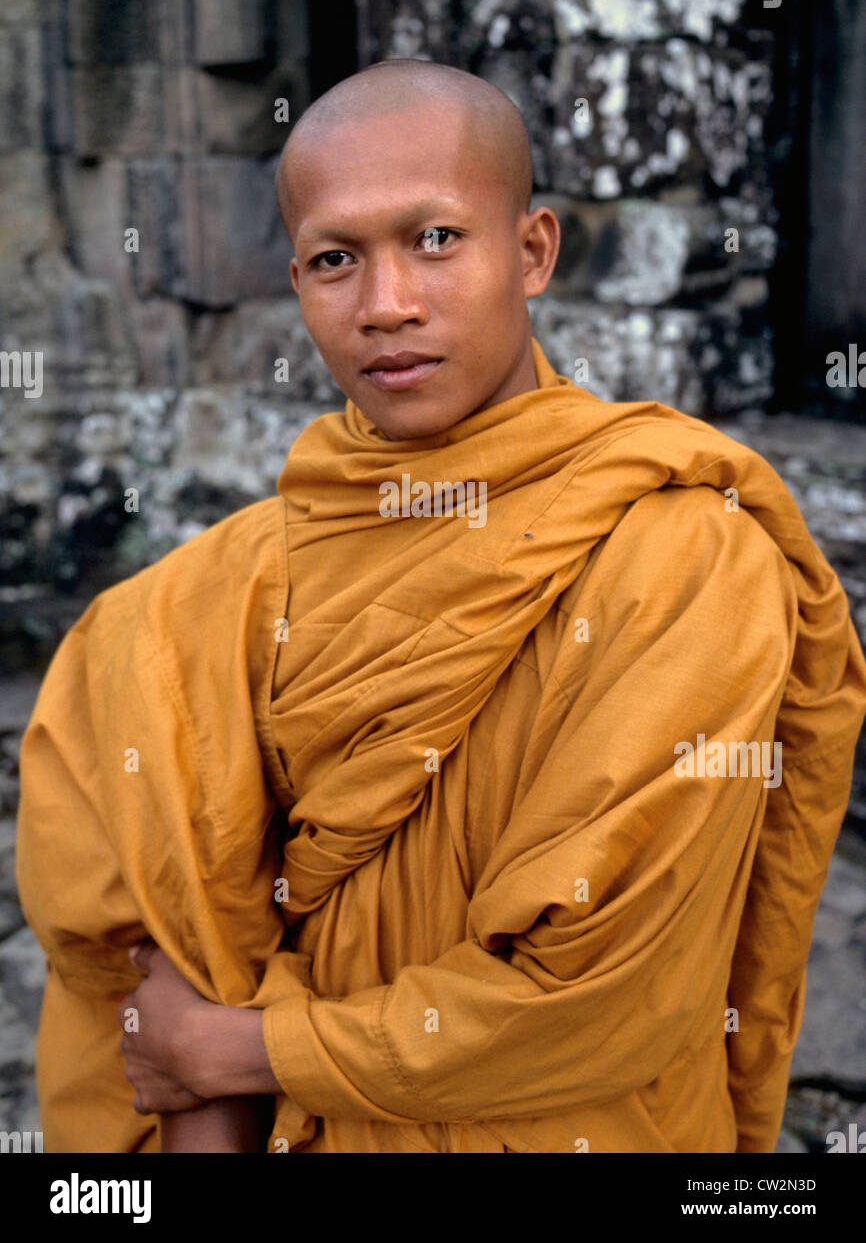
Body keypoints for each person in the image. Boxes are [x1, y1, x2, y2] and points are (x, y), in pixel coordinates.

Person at [16, 60, 866, 1154]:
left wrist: (244, 1049)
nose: (386, 306)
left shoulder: (684, 556)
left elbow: (596, 992)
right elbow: (142, 954)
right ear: (295, 281)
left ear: (532, 251)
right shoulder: (195, 603)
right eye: (335, 260)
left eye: (434, 239)